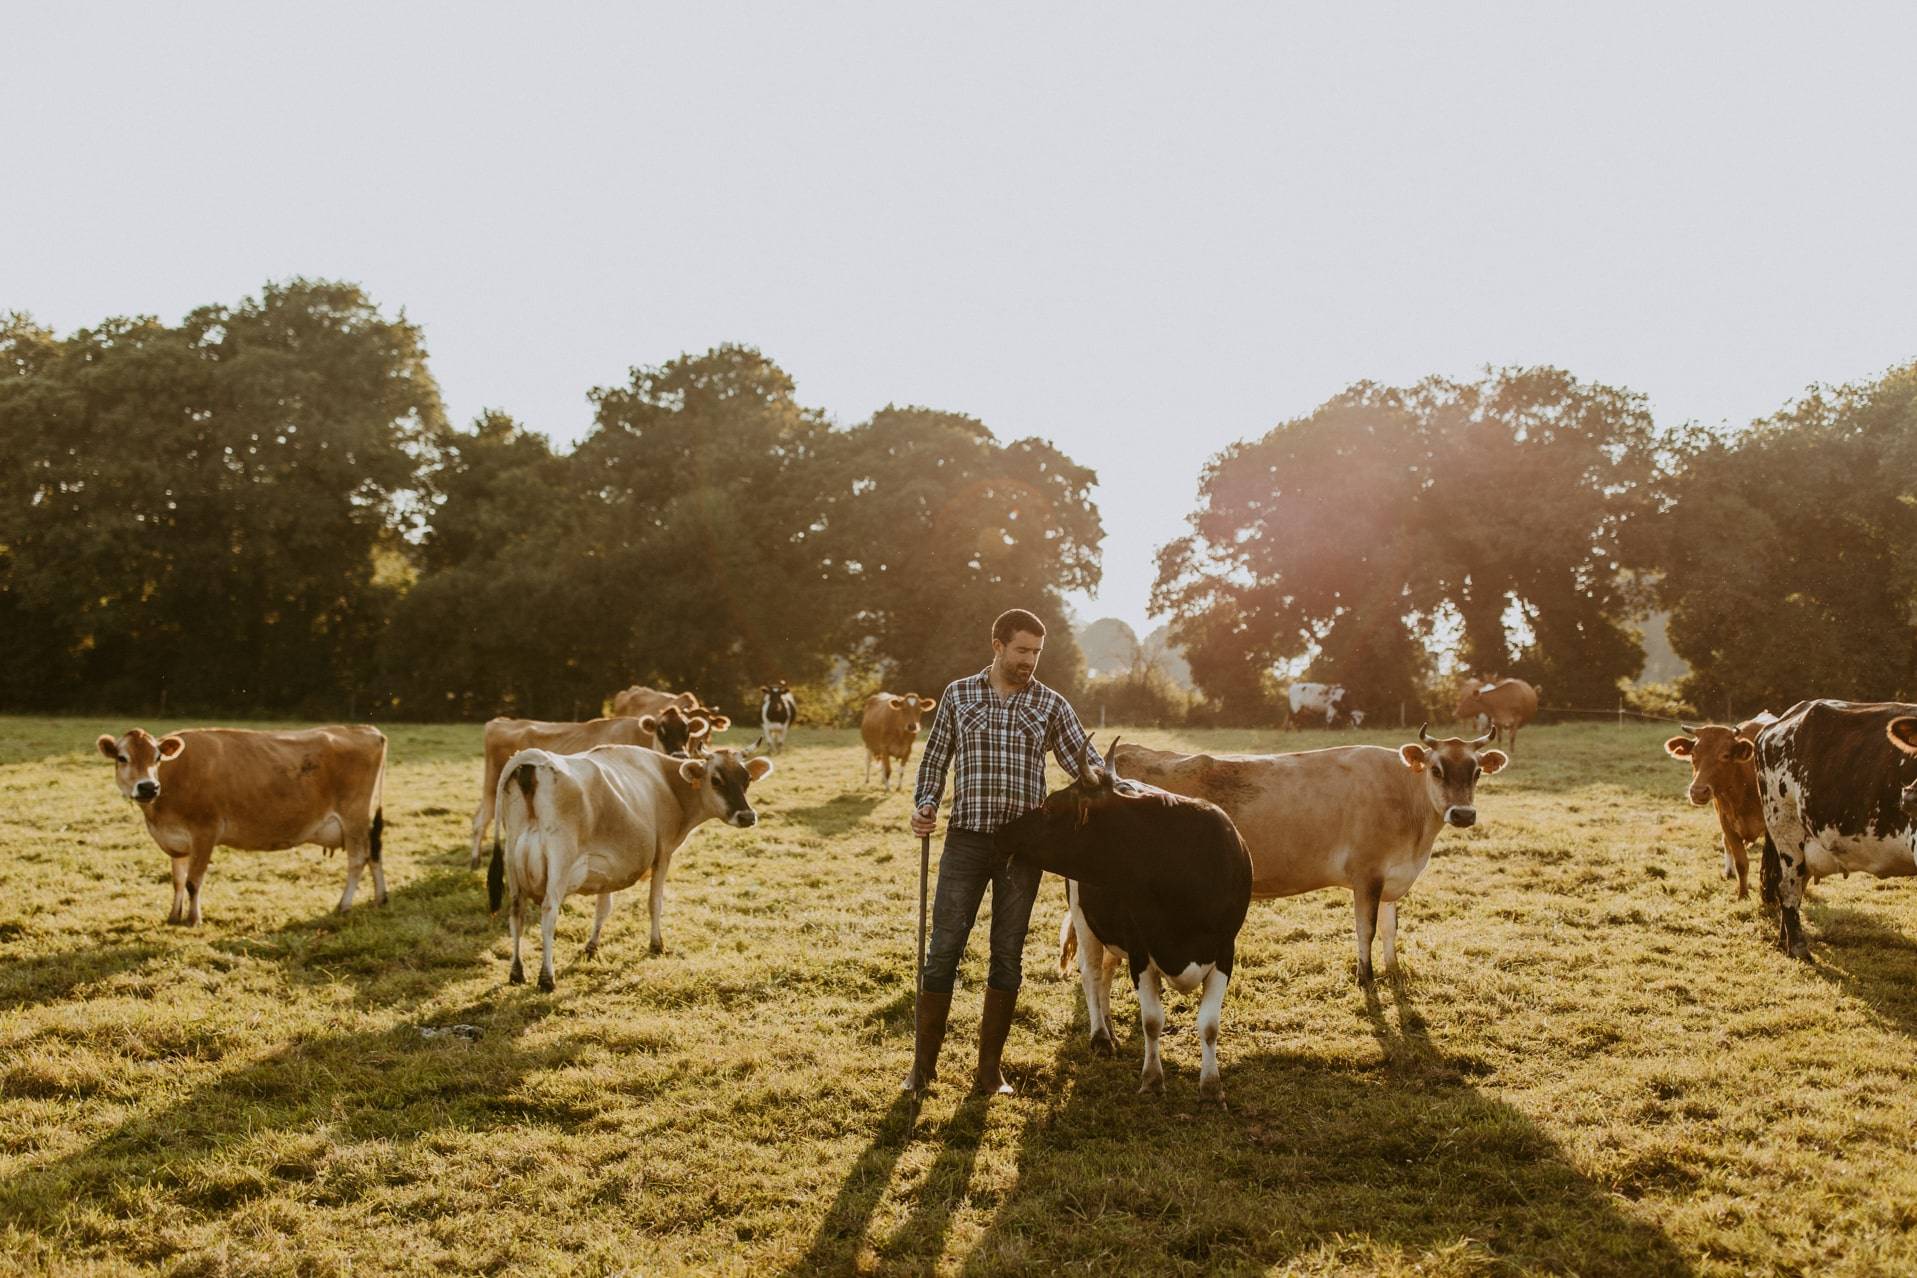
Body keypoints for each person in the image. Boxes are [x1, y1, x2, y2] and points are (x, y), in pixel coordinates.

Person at [903, 607, 1102, 1095]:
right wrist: (925, 803)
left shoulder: (1051, 704)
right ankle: (922, 1068)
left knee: (1007, 955)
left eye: (1036, 652)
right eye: (1021, 650)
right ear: (998, 646)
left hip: (1024, 850)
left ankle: (990, 1071)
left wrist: (1113, 786)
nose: (1029, 660)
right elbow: (934, 762)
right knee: (943, 951)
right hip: (966, 841)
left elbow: (1087, 763)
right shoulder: (958, 695)